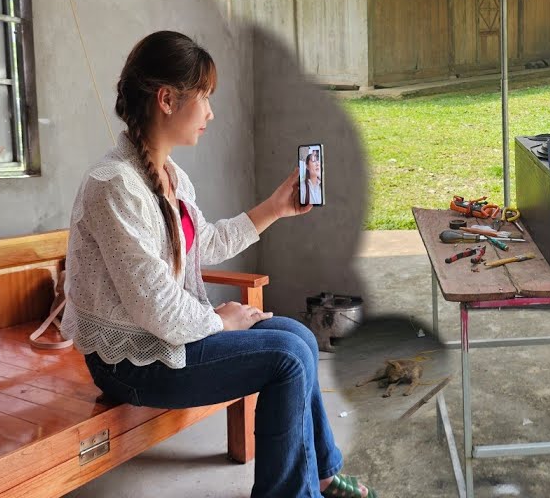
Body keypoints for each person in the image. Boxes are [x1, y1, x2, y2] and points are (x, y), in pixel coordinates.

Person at [61, 31, 373, 498]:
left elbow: (201, 243)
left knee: (300, 337)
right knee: (286, 359)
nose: (210, 112)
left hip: (166, 339)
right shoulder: (114, 186)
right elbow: (157, 310)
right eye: (204, 97)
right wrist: (219, 322)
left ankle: (322, 476)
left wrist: (274, 207)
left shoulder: (171, 175)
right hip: (132, 361)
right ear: (167, 99)